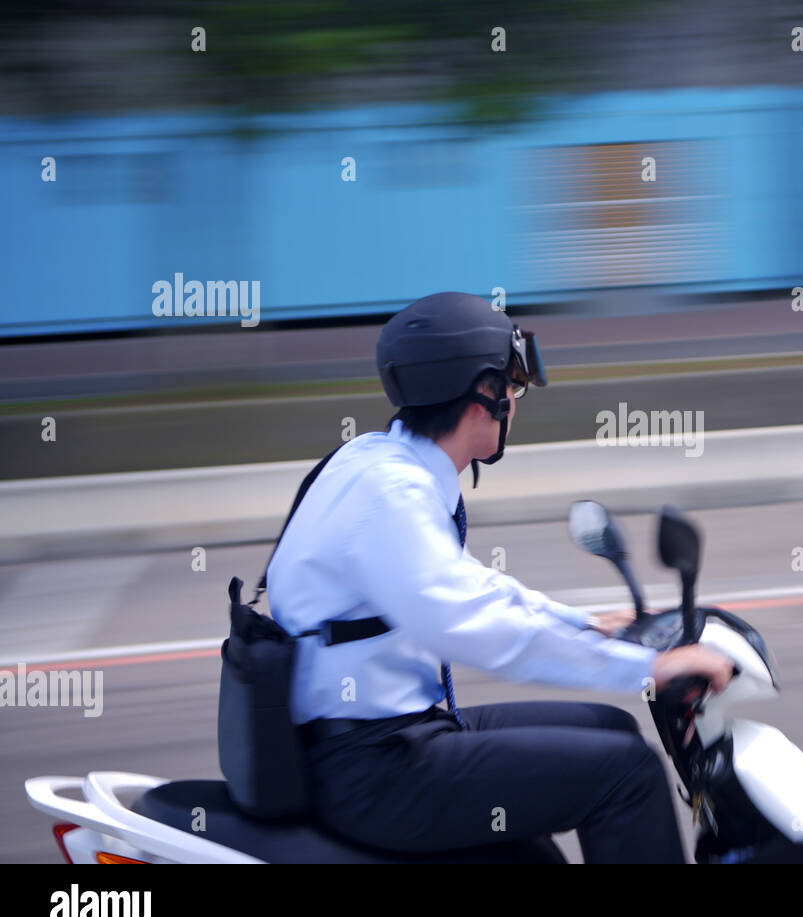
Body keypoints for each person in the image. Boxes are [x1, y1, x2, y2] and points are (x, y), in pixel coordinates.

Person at [266, 291, 733, 863]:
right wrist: (650, 666)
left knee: (612, 730)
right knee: (627, 774)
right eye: (511, 386)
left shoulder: (382, 461)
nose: (516, 400)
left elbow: (469, 587)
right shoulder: (391, 493)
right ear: (481, 393)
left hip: (390, 733)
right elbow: (473, 625)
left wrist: (586, 625)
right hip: (371, 766)